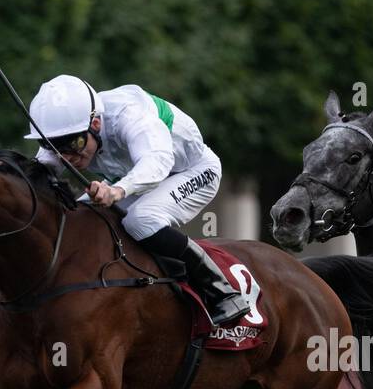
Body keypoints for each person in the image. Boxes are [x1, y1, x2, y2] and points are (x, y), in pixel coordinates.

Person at [27, 74, 249, 324]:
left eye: (75, 144)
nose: (67, 156)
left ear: (96, 124)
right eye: (55, 147)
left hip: (192, 171)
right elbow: (38, 176)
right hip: (133, 177)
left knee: (140, 220)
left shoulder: (127, 114)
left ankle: (222, 290)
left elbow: (156, 162)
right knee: (78, 217)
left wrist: (116, 191)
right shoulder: (69, 133)